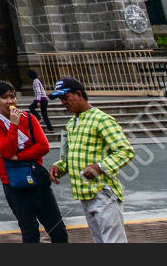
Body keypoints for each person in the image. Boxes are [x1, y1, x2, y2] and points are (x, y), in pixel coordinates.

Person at [48, 76, 134, 242]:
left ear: (79, 94)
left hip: (103, 193)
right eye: (60, 100)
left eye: (66, 98)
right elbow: (69, 155)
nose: (63, 103)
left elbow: (125, 150)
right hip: (85, 195)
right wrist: (60, 166)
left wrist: (99, 166)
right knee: (100, 240)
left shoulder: (102, 119)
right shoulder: (71, 123)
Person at [0, 80, 68, 243]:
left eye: (13, 96)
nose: (10, 101)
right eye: (4, 98)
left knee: (58, 230)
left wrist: (19, 156)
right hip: (13, 182)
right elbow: (7, 151)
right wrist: (14, 126)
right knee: (30, 232)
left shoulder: (29, 118)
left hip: (36, 177)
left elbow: (43, 146)